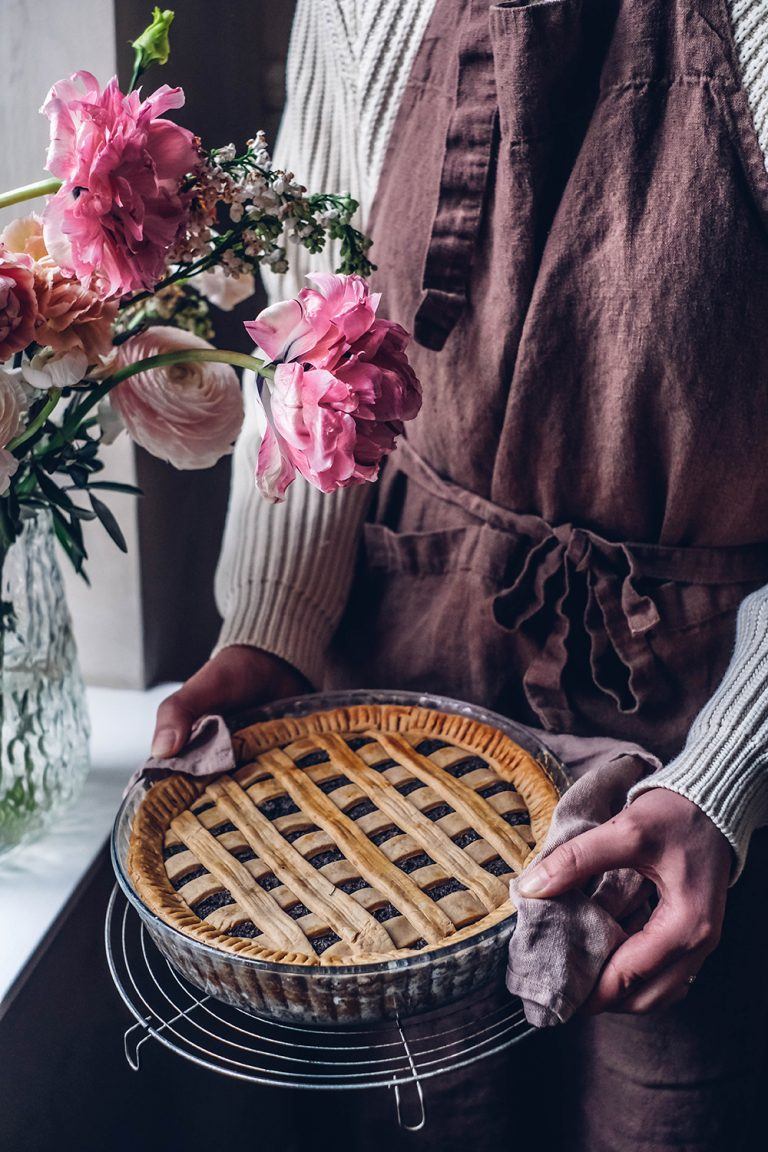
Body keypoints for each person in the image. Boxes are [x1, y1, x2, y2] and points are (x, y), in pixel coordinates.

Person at [152, 2, 768, 1148]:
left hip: (691, 735)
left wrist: (729, 776)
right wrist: (273, 623)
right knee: (430, 1114)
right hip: (404, 690)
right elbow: (314, 315)